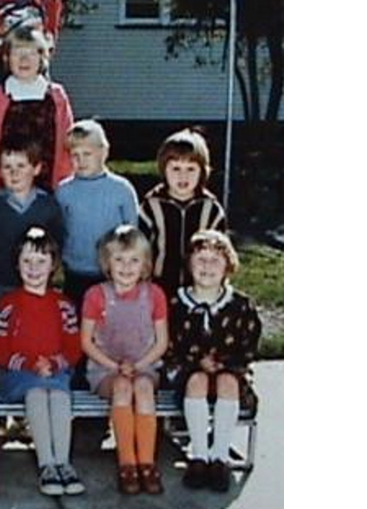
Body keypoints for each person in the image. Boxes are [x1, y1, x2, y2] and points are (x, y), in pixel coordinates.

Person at [0, 227, 84, 497]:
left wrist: (52, 364)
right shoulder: (6, 305)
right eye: (27, 261)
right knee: (37, 393)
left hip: (54, 372)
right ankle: (47, 465)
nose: (34, 268)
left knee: (59, 395)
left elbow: (73, 348)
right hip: (15, 376)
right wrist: (31, 364)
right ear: (17, 265)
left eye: (41, 261)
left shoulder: (64, 305)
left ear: (53, 265)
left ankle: (63, 463)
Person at [168, 230, 261, 493]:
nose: (207, 267)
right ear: (189, 264)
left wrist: (224, 363)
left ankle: (219, 457)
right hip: (190, 373)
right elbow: (171, 344)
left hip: (230, 372)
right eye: (201, 260)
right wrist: (197, 361)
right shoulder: (178, 303)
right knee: (197, 381)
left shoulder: (240, 305)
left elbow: (249, 342)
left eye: (215, 261)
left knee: (228, 383)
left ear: (227, 267)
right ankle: (199, 456)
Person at [80, 225, 169, 496]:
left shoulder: (154, 295)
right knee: (122, 387)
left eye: (134, 260)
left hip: (144, 366)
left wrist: (138, 366)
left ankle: (147, 463)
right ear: (107, 263)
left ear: (145, 264)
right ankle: (127, 463)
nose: (126, 267)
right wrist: (115, 367)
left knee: (142, 388)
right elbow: (86, 342)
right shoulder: (96, 295)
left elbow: (161, 342)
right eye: (119, 259)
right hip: (105, 369)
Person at [0, 25, 73, 196]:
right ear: (6, 58)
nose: (24, 60)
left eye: (31, 53)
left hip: (49, 190)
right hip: (6, 190)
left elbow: (67, 144)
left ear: (42, 58)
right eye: (17, 53)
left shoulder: (56, 97)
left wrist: (63, 184)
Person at [54, 119, 139, 307]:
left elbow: (133, 233)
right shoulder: (64, 191)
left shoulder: (122, 189)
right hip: (75, 270)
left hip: (112, 272)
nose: (81, 160)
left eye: (87, 154)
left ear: (104, 152)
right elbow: (59, 230)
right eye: (75, 155)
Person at [139, 128, 228, 298]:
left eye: (191, 169)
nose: (183, 176)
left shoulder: (211, 209)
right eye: (176, 169)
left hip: (199, 287)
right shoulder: (151, 206)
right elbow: (140, 249)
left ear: (202, 171)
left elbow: (221, 253)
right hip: (159, 286)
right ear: (164, 169)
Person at [0, 134, 64, 300]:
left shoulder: (48, 206)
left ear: (36, 168)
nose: (14, 173)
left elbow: (57, 243)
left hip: (38, 282)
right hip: (0, 284)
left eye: (21, 166)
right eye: (7, 167)